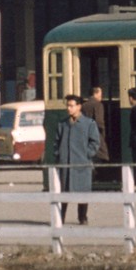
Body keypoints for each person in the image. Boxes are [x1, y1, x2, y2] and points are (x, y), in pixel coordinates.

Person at [47, 95, 100, 223]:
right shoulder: (63, 124)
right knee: (63, 192)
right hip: (65, 164)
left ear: (79, 107)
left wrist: (86, 154)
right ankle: (61, 217)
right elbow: (56, 142)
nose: (69, 108)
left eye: (71, 106)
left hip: (82, 164)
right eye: (68, 106)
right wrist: (59, 154)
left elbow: (95, 143)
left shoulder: (89, 124)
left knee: (83, 192)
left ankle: (82, 217)